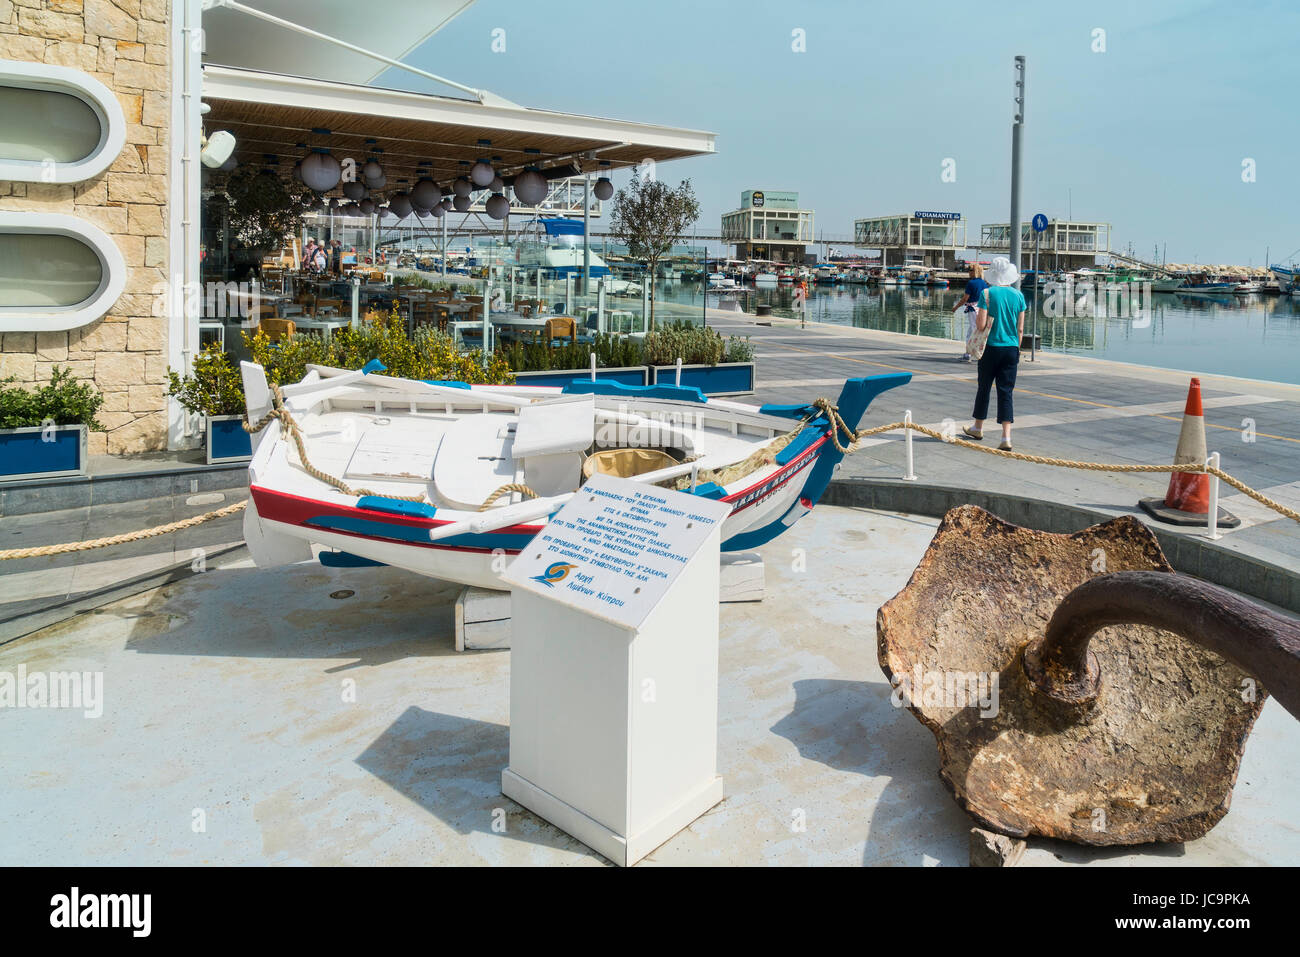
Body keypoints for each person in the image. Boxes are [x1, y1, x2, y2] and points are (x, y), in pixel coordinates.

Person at [963, 256, 1025, 451]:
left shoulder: (987, 293)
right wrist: (1016, 348)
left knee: (984, 388)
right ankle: (1006, 438)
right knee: (1006, 392)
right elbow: (1020, 329)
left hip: (990, 348)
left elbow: (980, 325)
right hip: (1011, 349)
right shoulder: (1018, 296)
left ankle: (978, 427)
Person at [953, 263, 988, 361]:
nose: (968, 272)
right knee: (972, 331)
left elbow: (965, 298)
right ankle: (968, 352)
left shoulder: (971, 283)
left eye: (970, 270)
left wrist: (955, 307)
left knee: (973, 330)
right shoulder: (984, 283)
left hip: (972, 308)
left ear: (975, 271)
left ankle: (972, 353)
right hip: (982, 308)